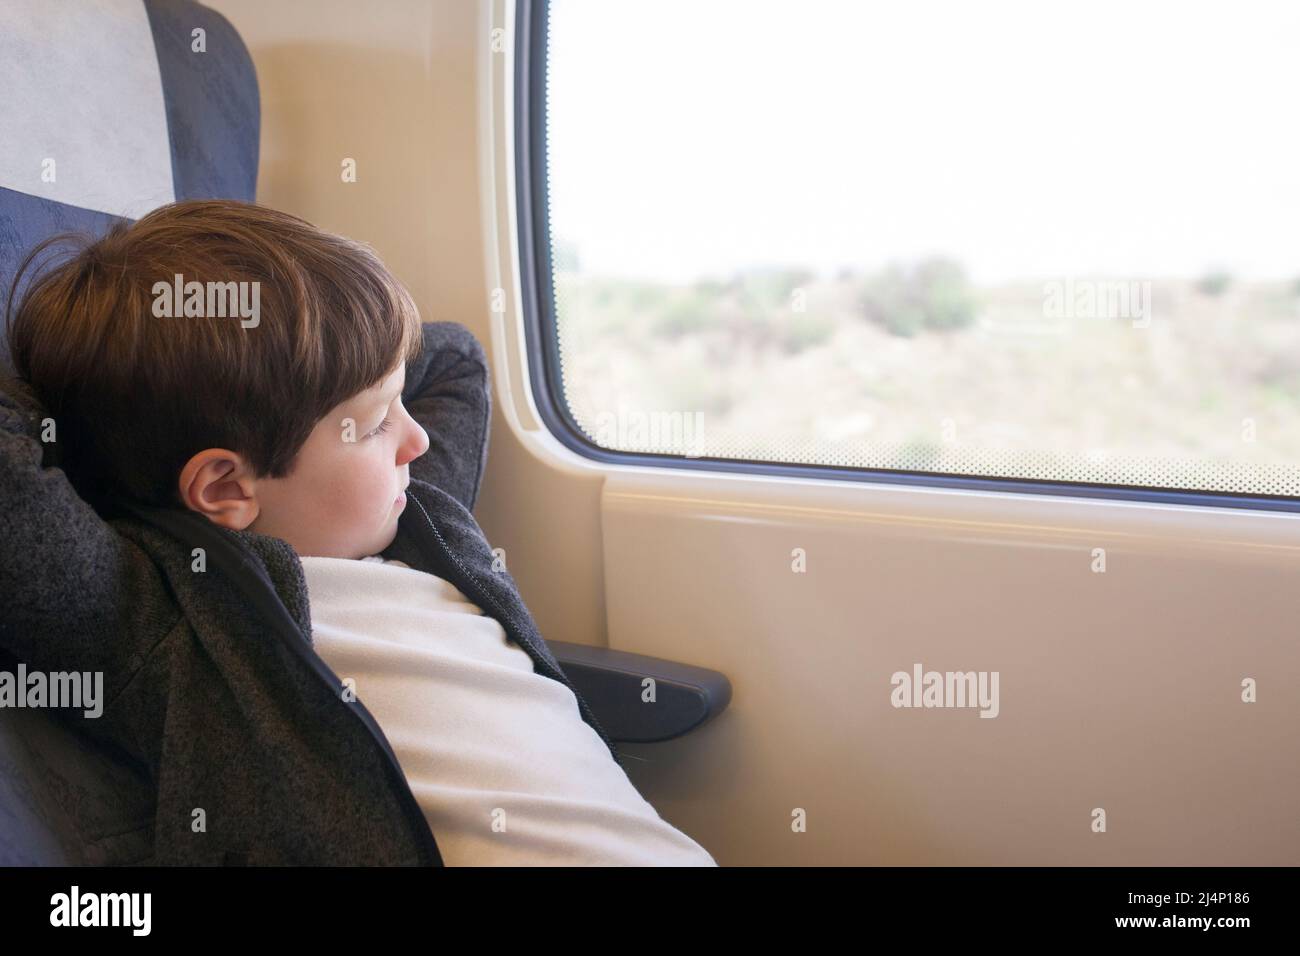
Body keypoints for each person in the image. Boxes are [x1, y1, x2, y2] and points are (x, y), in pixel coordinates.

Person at [0, 198, 716, 866]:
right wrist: (78, 415)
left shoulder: (417, 524)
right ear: (224, 486)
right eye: (375, 425)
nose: (417, 441)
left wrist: (355, 348)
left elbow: (455, 357)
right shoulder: (161, 617)